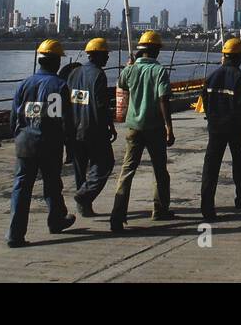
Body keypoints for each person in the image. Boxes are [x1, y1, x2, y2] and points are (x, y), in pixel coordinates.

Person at [6, 38, 76, 247]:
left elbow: (13, 119)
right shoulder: (60, 85)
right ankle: (55, 220)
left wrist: (19, 137)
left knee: (21, 187)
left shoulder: (23, 85)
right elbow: (67, 121)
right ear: (56, 62)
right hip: (50, 143)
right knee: (52, 184)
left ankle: (14, 235)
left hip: (25, 142)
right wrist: (70, 146)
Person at [109, 30, 175, 231]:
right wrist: (169, 127)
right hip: (154, 127)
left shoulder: (129, 70)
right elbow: (163, 99)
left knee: (127, 171)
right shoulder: (159, 71)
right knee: (160, 170)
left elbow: (121, 85)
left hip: (133, 127)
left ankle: (117, 215)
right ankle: (160, 209)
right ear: (155, 50)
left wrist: (130, 68)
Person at [200, 36, 241, 220]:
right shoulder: (239, 77)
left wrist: (212, 117)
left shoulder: (211, 76)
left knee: (211, 167)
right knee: (239, 164)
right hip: (234, 128)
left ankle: (207, 207)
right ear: (239, 57)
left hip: (215, 128)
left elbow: (205, 103)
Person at [66, 37, 116, 217]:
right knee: (105, 164)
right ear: (97, 55)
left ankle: (84, 205)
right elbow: (101, 105)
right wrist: (109, 126)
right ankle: (84, 195)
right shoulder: (98, 75)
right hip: (92, 128)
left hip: (74, 128)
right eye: (105, 55)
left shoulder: (74, 73)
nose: (108, 58)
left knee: (80, 169)